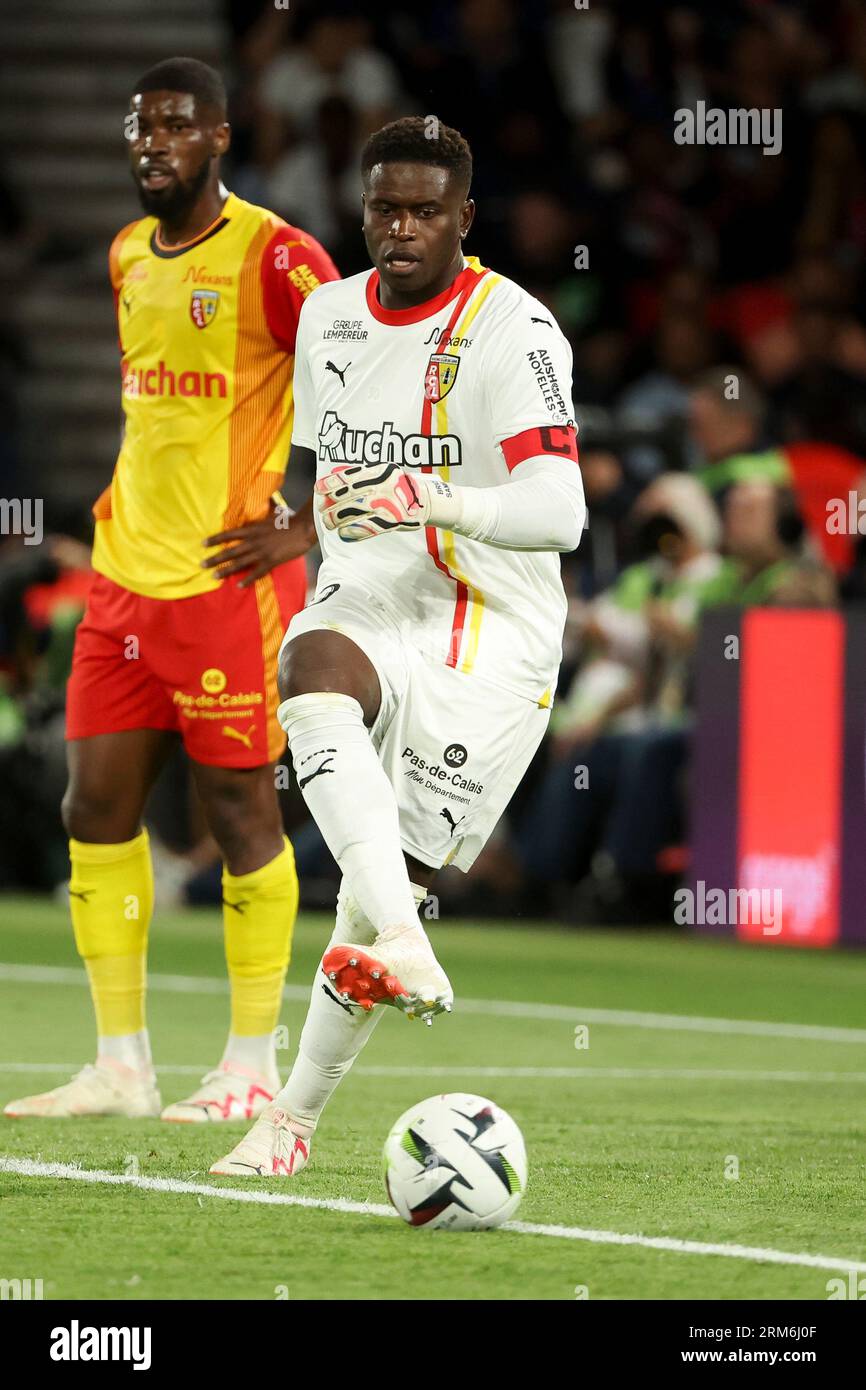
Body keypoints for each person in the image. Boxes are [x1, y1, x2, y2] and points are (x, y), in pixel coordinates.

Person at [210, 115, 586, 1178]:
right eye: (384, 207)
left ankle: (290, 1117)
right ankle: (403, 943)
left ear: (463, 219)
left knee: (384, 883)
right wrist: (308, 520)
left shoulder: (515, 329)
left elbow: (558, 508)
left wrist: (436, 496)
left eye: (426, 210)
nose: (402, 227)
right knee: (310, 671)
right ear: (362, 210)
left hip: (494, 627)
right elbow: (326, 467)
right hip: (374, 593)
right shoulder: (327, 316)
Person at [4, 58, 339, 1124]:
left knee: (240, 808)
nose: (152, 142)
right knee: (92, 804)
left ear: (221, 138)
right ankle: (122, 1064)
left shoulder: (281, 258)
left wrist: (302, 524)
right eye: (140, 126)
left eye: (176, 126)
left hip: (223, 581)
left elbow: (363, 388)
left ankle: (248, 1063)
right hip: (120, 578)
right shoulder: (124, 256)